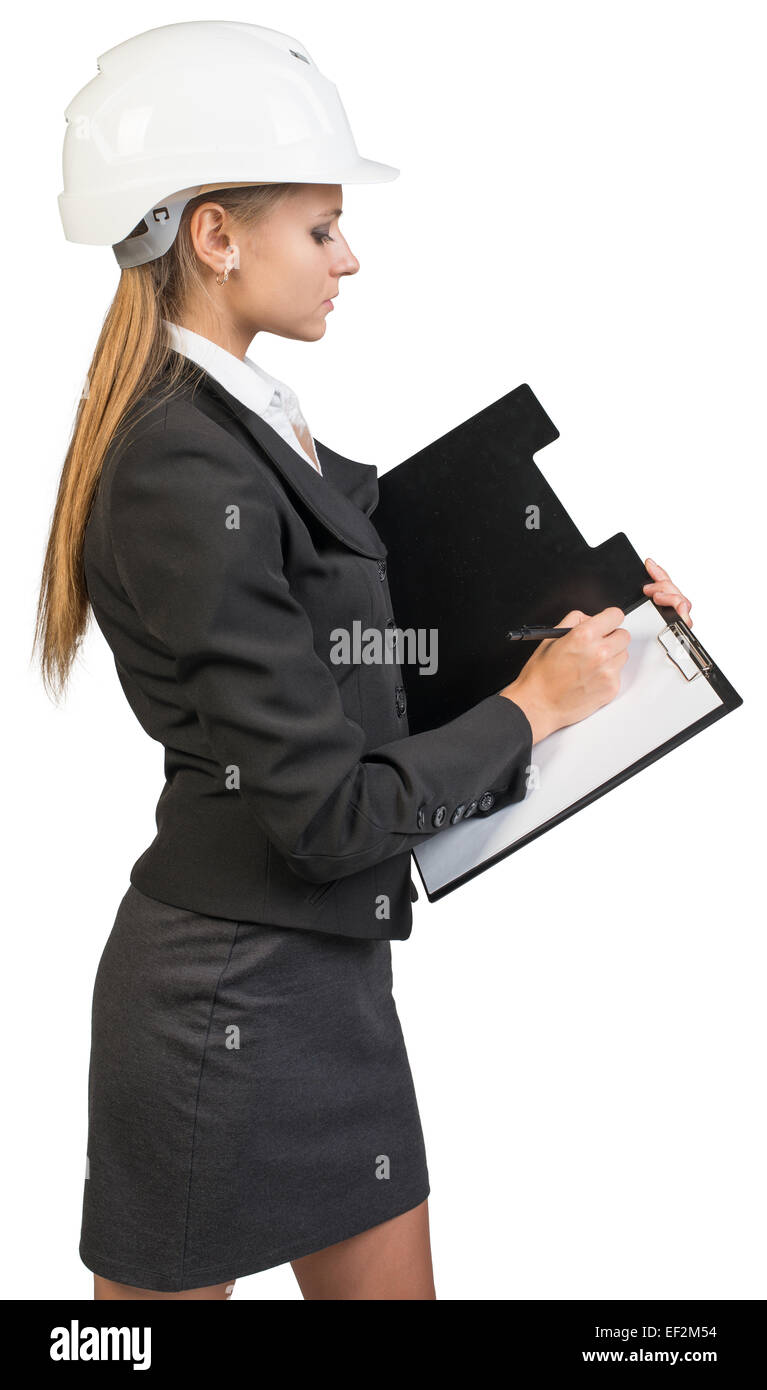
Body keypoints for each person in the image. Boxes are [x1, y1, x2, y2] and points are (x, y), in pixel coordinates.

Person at [34, 21, 693, 1301]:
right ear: (216, 237)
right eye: (322, 226)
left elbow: (361, 631)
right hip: (222, 998)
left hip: (325, 982)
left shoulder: (242, 425)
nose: (351, 257)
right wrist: (530, 704)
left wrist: (591, 616)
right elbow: (327, 811)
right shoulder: (182, 463)